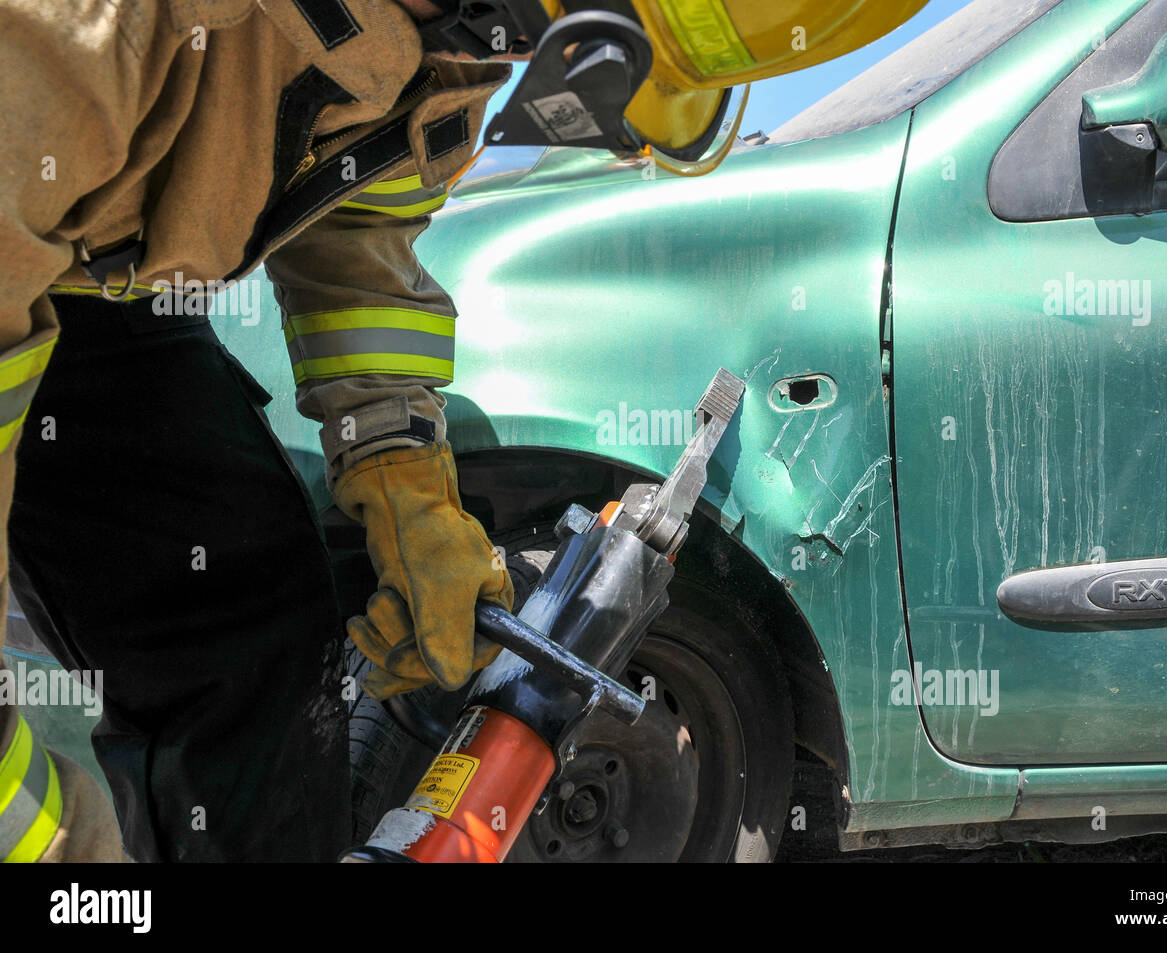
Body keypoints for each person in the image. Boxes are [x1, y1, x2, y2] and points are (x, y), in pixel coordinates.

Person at [0, 0, 929, 863]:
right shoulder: (88, 33)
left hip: (84, 273)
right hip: (26, 232)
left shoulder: (458, 40)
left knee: (251, 628)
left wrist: (404, 483)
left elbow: (356, 230)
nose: (522, 62)